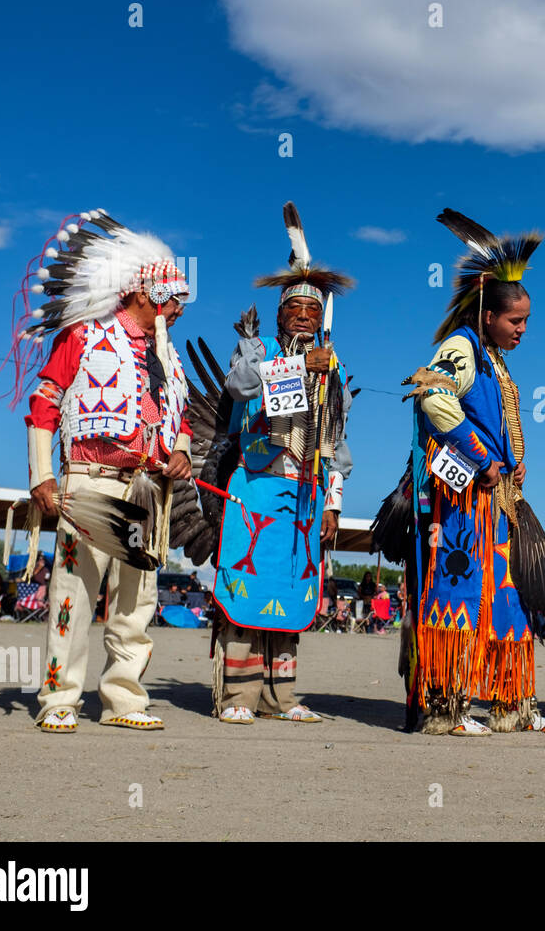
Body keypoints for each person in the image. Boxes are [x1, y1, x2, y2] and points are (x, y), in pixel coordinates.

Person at [19, 209, 194, 733]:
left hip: (144, 490)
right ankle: (60, 699)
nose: (179, 308)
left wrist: (180, 451)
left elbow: (177, 420)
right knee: (73, 591)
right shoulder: (83, 337)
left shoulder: (169, 357)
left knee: (136, 600)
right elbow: (44, 400)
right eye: (173, 299)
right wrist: (41, 475)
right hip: (88, 480)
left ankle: (124, 698)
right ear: (143, 295)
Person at [393, 207, 545, 735]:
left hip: (493, 503)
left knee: (504, 602)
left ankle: (511, 704)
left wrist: (512, 460)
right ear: (489, 314)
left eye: (527, 321)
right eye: (516, 321)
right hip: (459, 500)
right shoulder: (462, 348)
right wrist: (484, 459)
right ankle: (446, 707)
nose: (522, 330)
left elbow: (493, 417)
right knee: (457, 596)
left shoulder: (491, 356)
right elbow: (434, 401)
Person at [208, 203, 354, 724]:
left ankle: (280, 696)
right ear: (278, 313)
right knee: (248, 589)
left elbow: (337, 445)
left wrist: (333, 505)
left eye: (311, 312)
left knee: (292, 590)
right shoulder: (257, 349)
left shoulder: (331, 370)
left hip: (306, 497)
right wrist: (294, 364)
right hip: (256, 487)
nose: (303, 317)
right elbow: (239, 387)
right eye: (294, 308)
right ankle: (238, 697)